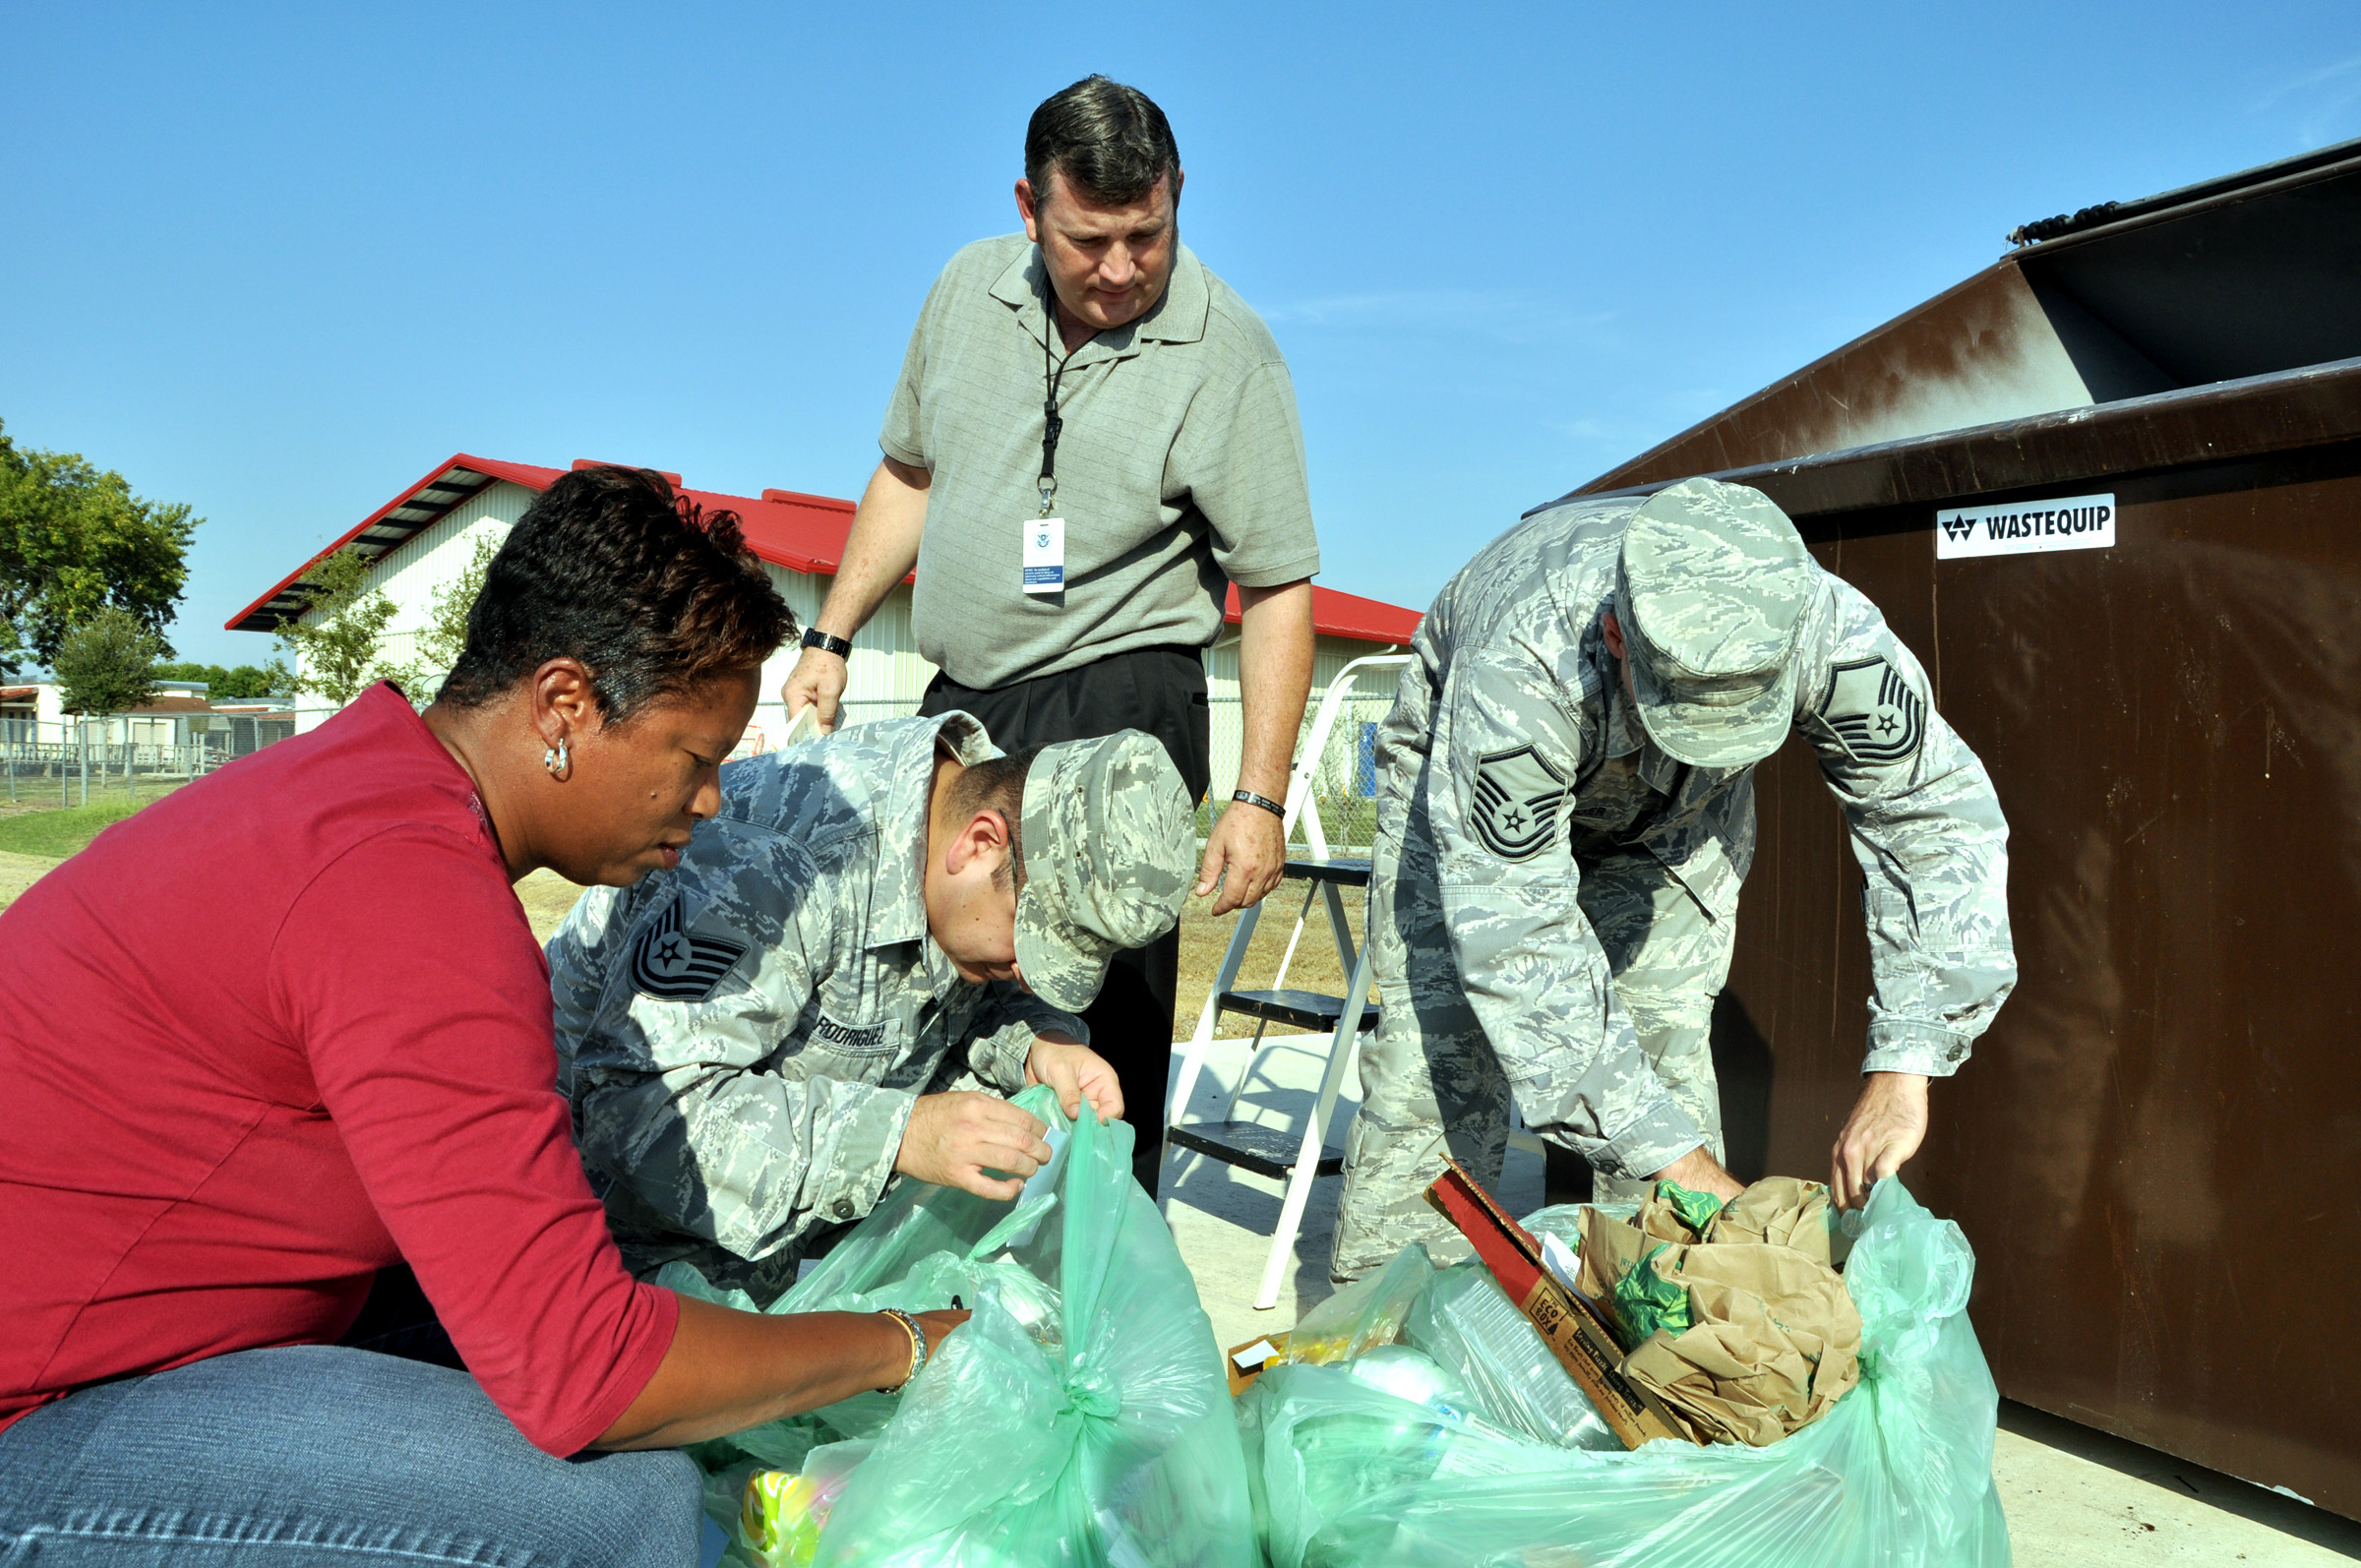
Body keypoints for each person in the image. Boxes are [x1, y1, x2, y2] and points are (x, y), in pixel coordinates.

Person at [0, 467, 966, 1566]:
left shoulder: (368, 787)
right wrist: (899, 1342)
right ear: (564, 706)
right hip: (39, 1412)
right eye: (694, 759)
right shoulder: (411, 898)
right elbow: (588, 1373)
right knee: (622, 1509)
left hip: (142, 1337)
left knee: (583, 1320)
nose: (709, 801)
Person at [778, 75, 1322, 1190]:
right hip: (963, 710)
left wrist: (1260, 799)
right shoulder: (963, 290)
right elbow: (907, 475)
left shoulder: (1231, 353)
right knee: (929, 1005)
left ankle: (1100, 1270)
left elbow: (1276, 587)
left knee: (1092, 1043)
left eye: (1146, 236)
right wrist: (830, 638)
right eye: (1089, 241)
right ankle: (932, 1267)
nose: (1121, 270)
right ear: (1029, 208)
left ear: (1178, 194)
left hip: (1119, 706)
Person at [1329, 476, 2017, 1283]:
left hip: (1678, 818)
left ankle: (1668, 1334)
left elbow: (1934, 817)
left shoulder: (1819, 625)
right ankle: (1389, 1339)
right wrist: (1687, 1169)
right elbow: (1514, 932)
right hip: (1470, 788)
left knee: (1663, 1065)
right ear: (1617, 638)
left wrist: (1908, 1059)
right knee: (1437, 1069)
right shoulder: (1523, 657)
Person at [547, 719, 1195, 1304]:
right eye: (1033, 939)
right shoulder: (777, 865)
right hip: (593, 1242)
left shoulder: (984, 809)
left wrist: (1037, 1041)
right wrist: (901, 1136)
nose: (1029, 972)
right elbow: (637, 1108)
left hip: (764, 1253)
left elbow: (967, 990)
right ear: (980, 843)